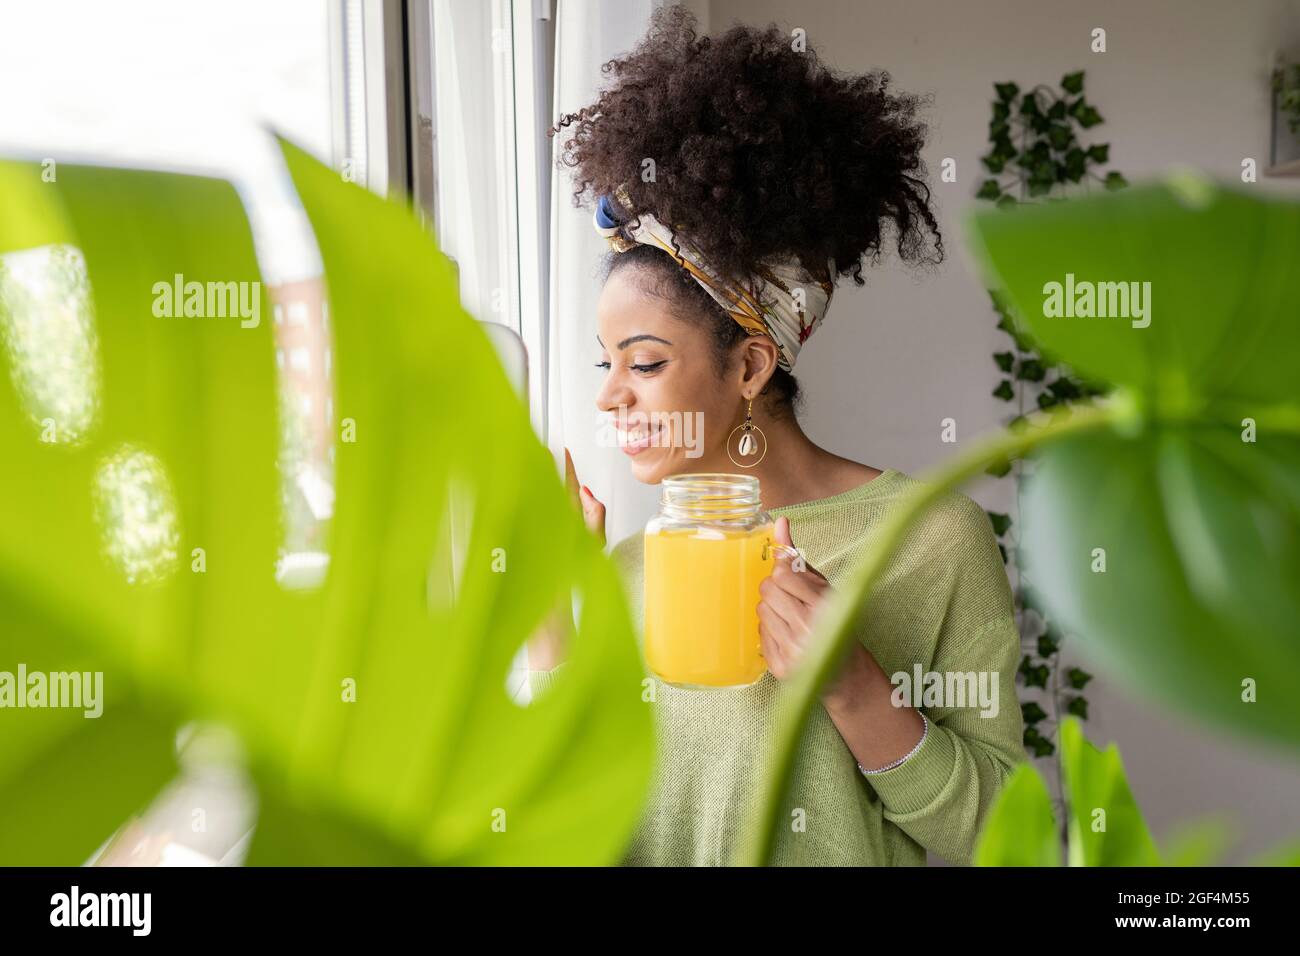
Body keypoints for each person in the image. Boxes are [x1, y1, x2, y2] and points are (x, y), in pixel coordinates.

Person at [528, 5, 1025, 866]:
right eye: (603, 362)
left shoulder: (932, 540)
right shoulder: (631, 565)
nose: (609, 397)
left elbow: (999, 836)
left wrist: (855, 689)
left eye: (642, 363)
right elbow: (575, 827)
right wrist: (548, 623)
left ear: (751, 366)